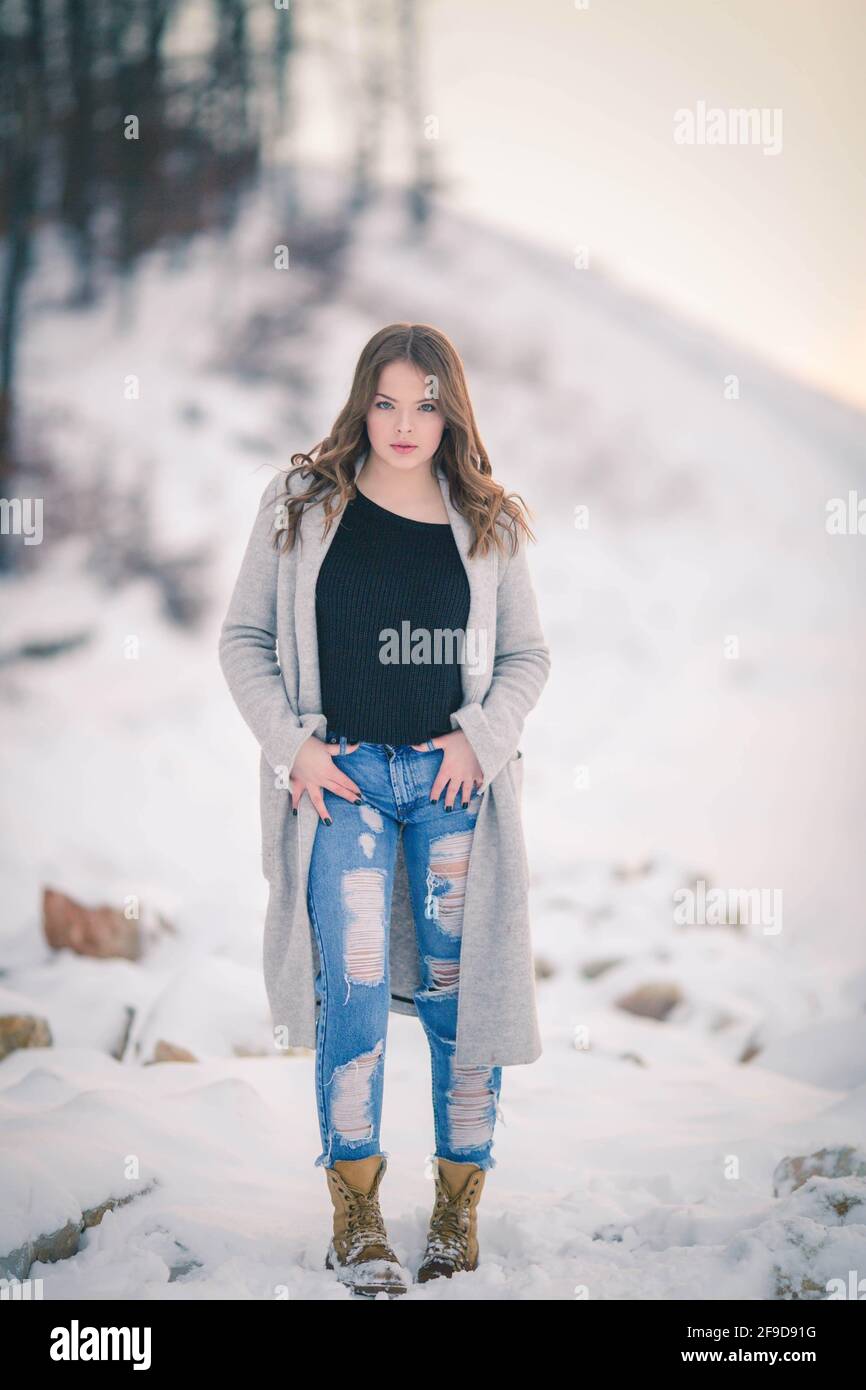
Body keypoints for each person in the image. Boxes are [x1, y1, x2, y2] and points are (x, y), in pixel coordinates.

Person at [219, 322, 550, 1297]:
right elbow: (242, 640)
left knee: (459, 997)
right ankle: (356, 1213)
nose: (404, 424)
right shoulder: (299, 506)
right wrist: (296, 750)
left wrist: (478, 740)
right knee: (352, 992)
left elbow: (527, 657)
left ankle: (455, 1208)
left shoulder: (486, 517)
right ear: (361, 401)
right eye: (386, 401)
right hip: (346, 785)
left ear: (452, 411)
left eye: (426, 403)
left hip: (455, 794)